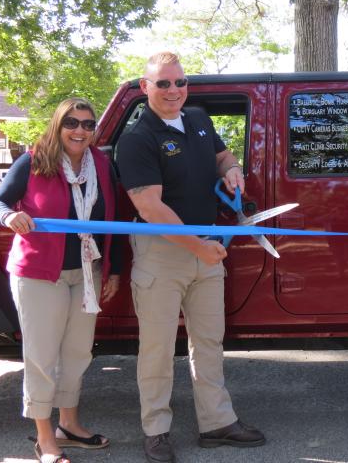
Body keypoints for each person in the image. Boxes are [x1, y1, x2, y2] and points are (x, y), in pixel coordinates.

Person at [115, 52, 265, 463]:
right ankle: (156, 430)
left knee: (209, 342)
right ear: (145, 88)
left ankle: (217, 423)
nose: (173, 91)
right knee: (158, 348)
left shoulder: (198, 119)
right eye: (162, 84)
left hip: (205, 249)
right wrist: (199, 247)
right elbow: (150, 208)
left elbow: (221, 155)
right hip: (163, 253)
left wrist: (231, 169)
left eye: (179, 82)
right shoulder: (137, 138)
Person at [0, 98, 121, 463]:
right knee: (41, 356)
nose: (80, 130)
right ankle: (45, 437)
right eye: (72, 123)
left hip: (86, 272)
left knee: (77, 353)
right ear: (58, 125)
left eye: (88, 124)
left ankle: (69, 425)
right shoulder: (34, 160)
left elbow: (115, 220)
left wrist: (113, 269)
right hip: (38, 274)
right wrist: (8, 217)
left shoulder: (101, 164)